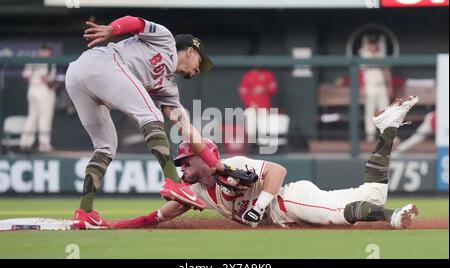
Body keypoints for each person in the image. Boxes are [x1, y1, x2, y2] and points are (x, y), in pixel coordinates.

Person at [113, 96, 420, 230]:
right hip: (284, 210)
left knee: (340, 216)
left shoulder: (233, 162)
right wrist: (127, 223)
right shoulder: (198, 189)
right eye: (180, 163)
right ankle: (388, 129)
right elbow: (164, 213)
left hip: (290, 202)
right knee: (373, 194)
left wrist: (259, 206)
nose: (182, 168)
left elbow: (277, 170)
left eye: (186, 161)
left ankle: (393, 217)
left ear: (203, 158)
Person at [65, 15, 226, 229]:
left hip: (78, 77)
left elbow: (186, 129)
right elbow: (136, 23)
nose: (198, 70)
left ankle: (84, 212)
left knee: (105, 146)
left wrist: (215, 164)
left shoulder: (168, 89)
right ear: (190, 51)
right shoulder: (165, 40)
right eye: (200, 62)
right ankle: (173, 182)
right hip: (99, 62)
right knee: (151, 115)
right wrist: (112, 30)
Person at [20, 44, 57, 153]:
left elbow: (26, 75)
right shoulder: (44, 62)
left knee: (32, 117)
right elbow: (44, 78)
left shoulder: (34, 61)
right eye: (45, 51)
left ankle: (25, 142)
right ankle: (43, 143)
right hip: (42, 90)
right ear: (42, 51)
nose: (47, 53)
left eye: (48, 51)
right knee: (44, 117)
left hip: (32, 89)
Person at [360, 34, 394, 143]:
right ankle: (370, 135)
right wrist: (362, 88)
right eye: (371, 44)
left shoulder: (381, 55)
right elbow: (360, 73)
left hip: (381, 85)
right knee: (370, 111)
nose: (373, 46)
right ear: (368, 45)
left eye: (375, 44)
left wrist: (389, 86)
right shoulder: (363, 55)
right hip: (369, 85)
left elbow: (386, 71)